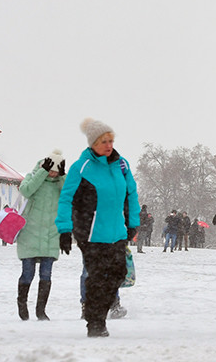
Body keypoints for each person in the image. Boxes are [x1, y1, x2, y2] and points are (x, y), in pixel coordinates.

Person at [56, 117, 140, 338]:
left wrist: (133, 223)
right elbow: (66, 198)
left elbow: (131, 194)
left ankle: (98, 314)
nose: (109, 145)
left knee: (119, 273)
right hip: (90, 233)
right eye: (103, 141)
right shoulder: (81, 167)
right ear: (92, 143)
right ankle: (96, 323)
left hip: (117, 232)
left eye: (111, 140)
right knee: (96, 277)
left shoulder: (122, 165)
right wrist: (65, 229)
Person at [15, 149, 65, 321]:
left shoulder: (60, 184)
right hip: (29, 233)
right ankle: (22, 304)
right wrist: (43, 171)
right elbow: (26, 190)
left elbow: (70, 195)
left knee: (46, 275)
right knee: (28, 273)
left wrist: (63, 176)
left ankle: (41, 310)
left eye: (56, 170)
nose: (53, 173)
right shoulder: (33, 176)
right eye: (51, 169)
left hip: (51, 235)